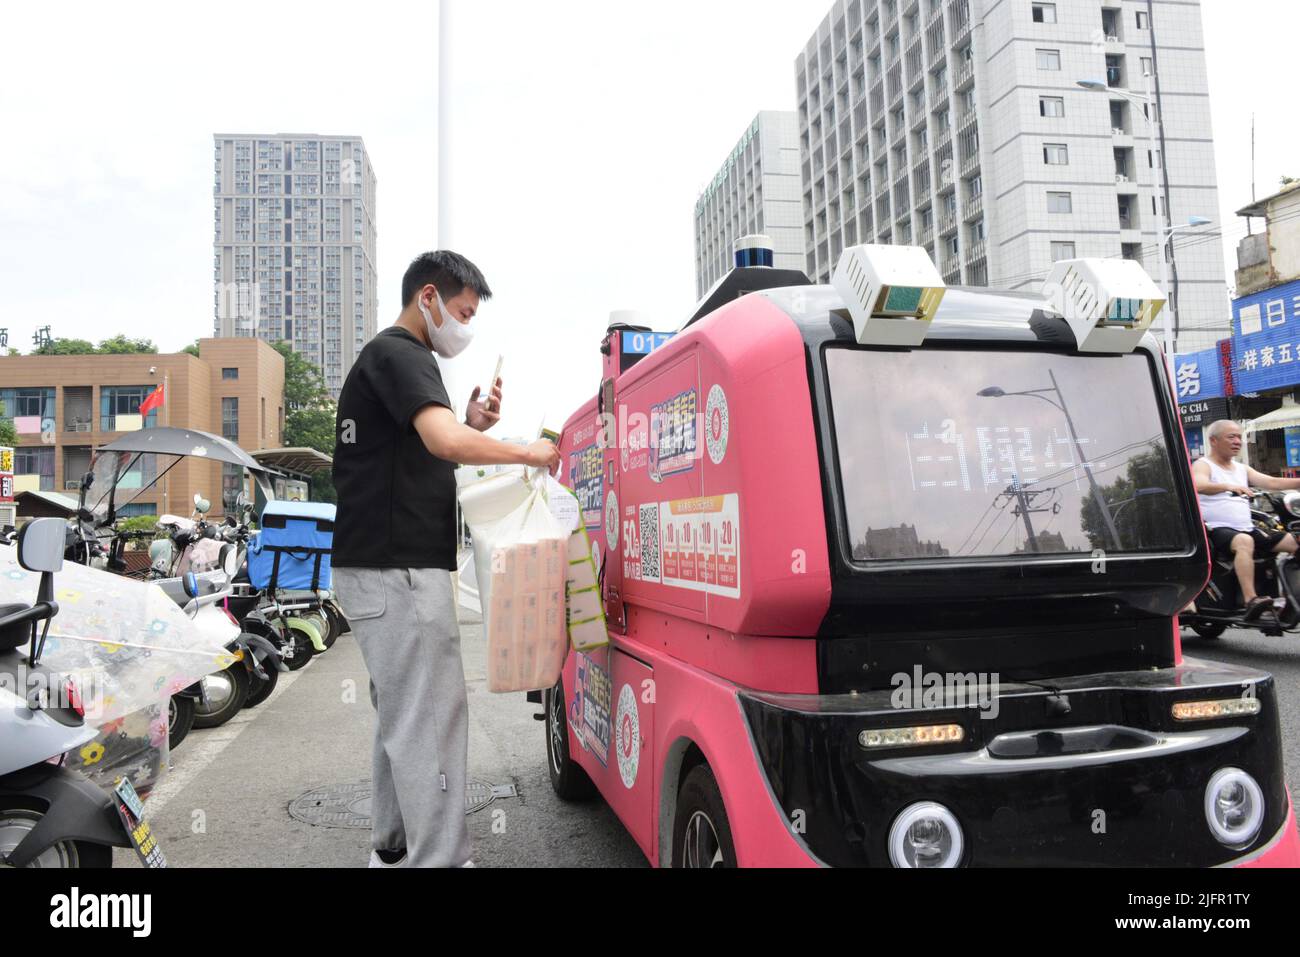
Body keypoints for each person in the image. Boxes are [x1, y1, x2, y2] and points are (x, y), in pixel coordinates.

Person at [331, 251, 561, 868]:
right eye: (462, 312)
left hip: (375, 567)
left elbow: (427, 445)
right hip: (396, 569)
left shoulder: (389, 359)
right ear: (427, 297)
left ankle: (395, 848)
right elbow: (442, 441)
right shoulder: (403, 354)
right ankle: (440, 860)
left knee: (402, 718)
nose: (465, 326)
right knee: (433, 718)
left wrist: (470, 421)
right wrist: (526, 451)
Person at [1192, 419, 1300, 620]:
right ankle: (1251, 600)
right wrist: (1228, 486)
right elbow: (1199, 484)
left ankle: (1290, 598)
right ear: (1213, 440)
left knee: (1294, 541)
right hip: (1217, 530)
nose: (1237, 441)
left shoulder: (1241, 468)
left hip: (1246, 527)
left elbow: (1272, 482)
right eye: (1231, 436)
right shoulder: (1203, 465)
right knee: (1245, 541)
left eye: (1239, 437)